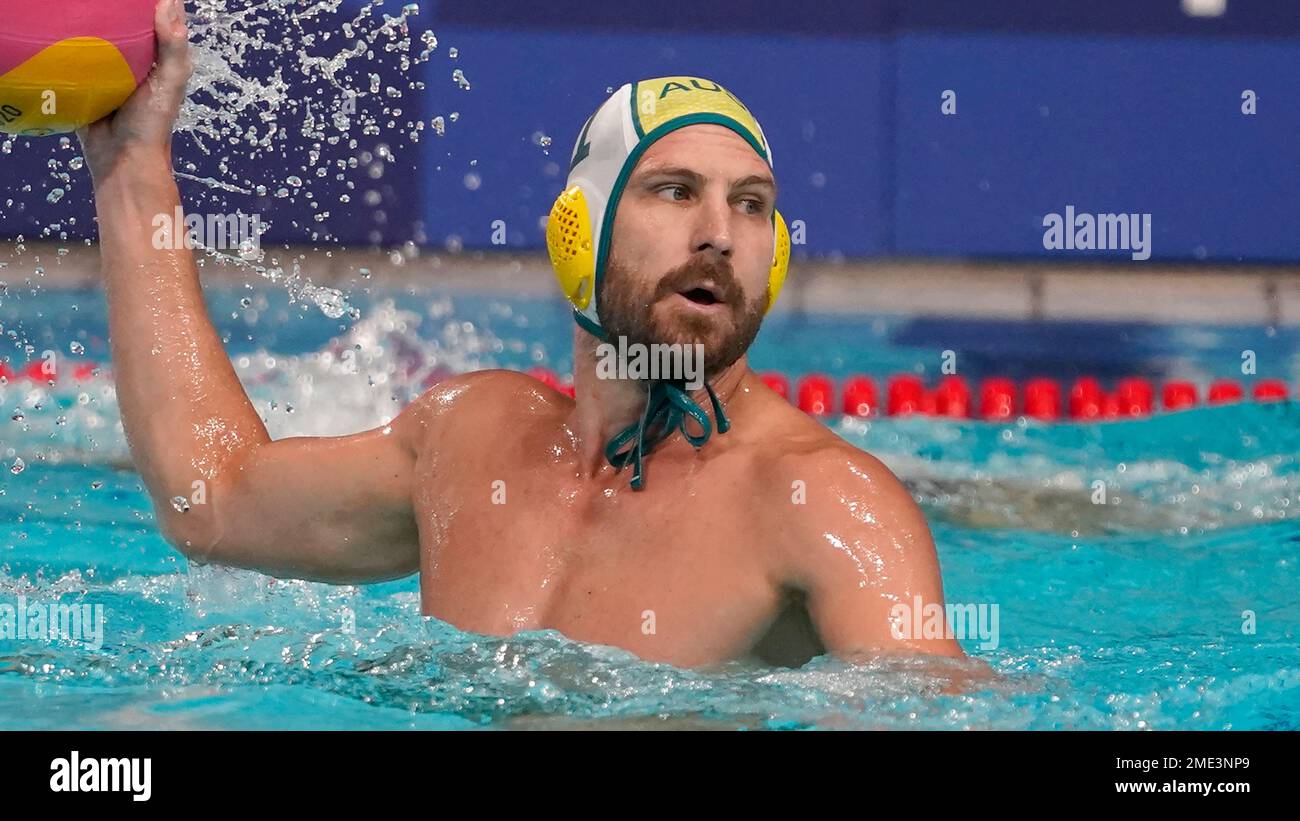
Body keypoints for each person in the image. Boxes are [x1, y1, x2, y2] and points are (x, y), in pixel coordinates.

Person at [81, 0, 971, 669]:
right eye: (674, 191)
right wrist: (132, 169)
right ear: (578, 232)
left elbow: (935, 710)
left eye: (751, 206)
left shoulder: (823, 504)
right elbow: (213, 497)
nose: (720, 233)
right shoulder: (471, 440)